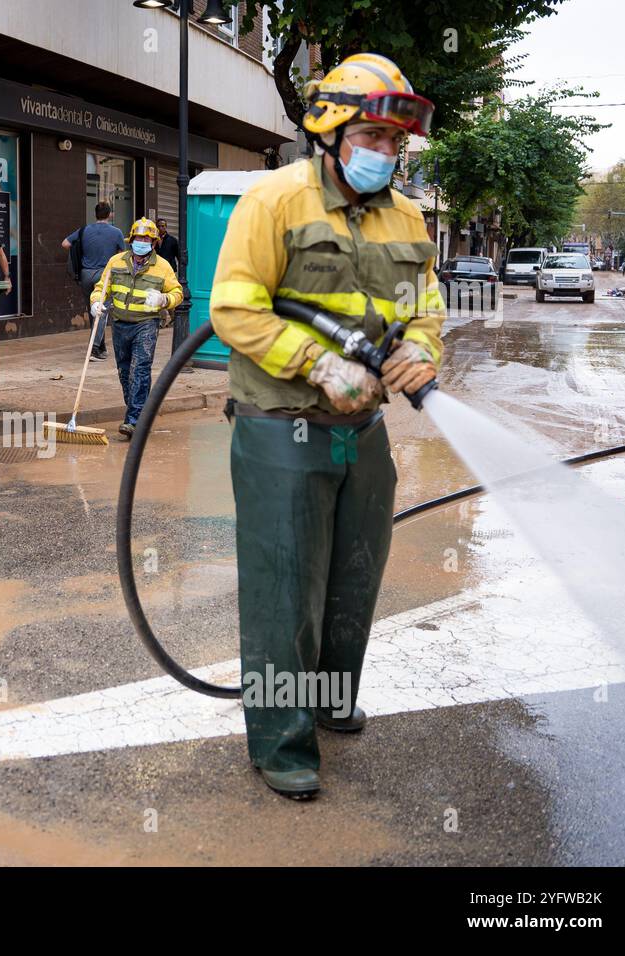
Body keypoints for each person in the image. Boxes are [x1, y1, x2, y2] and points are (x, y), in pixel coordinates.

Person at [209, 53, 445, 800]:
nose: (385, 153)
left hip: (365, 434)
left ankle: (334, 701)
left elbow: (426, 304)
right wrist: (317, 363)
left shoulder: (407, 216)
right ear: (333, 131)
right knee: (286, 593)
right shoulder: (275, 200)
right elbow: (234, 307)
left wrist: (420, 346)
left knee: (355, 575)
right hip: (284, 427)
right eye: (372, 136)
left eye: (393, 141)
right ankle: (281, 742)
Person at [88, 218, 182, 437]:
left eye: (147, 238)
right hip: (120, 324)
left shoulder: (163, 267)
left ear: (154, 242)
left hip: (146, 324)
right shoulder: (116, 262)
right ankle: (140, 414)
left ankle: (133, 420)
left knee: (139, 369)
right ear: (131, 240)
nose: (142, 241)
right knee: (124, 372)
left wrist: (163, 300)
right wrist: (96, 302)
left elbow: (178, 293)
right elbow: (102, 287)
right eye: (139, 238)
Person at [63, 202, 125, 360]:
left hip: (85, 275)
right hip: (104, 275)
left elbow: (65, 244)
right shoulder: (116, 232)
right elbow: (122, 255)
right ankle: (95, 349)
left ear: (95, 214)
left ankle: (102, 347)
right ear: (109, 214)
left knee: (93, 310)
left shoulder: (84, 230)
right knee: (102, 311)